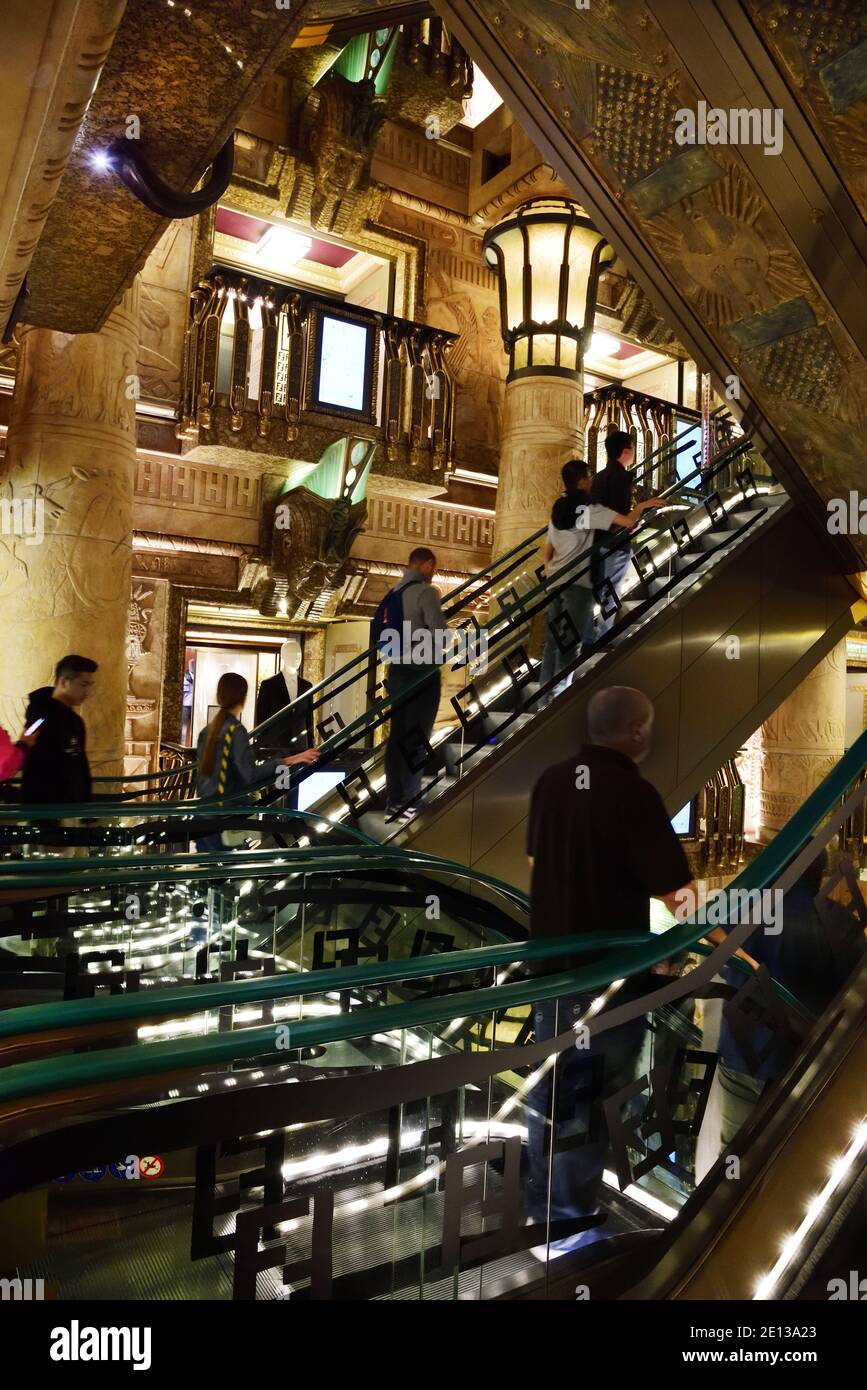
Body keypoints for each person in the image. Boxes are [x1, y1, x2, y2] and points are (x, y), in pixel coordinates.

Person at [524, 686, 696, 1232]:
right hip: (608, 981)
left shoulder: (552, 781)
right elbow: (678, 891)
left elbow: (535, 858)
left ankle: (540, 1200)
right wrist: (700, 930)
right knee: (595, 1094)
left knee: (551, 1087)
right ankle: (573, 1216)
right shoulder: (632, 792)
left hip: (547, 970)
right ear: (637, 731)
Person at [715, 848, 867, 1150]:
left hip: (740, 1058)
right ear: (819, 874)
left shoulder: (745, 909)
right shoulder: (838, 920)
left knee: (732, 1158)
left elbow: (707, 939)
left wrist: (748, 961)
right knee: (783, 1155)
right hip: (800, 1067)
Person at [538, 460, 661, 699]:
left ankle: (543, 695)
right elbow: (629, 522)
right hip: (578, 583)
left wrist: (551, 574)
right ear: (583, 480)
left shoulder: (559, 507)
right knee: (570, 640)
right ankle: (560, 696)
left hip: (555, 582)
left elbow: (548, 550)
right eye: (589, 475)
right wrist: (645, 504)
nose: (592, 480)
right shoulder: (586, 509)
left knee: (553, 640)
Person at [195, 672, 319, 851]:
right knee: (234, 874)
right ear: (243, 698)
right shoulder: (236, 731)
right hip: (228, 819)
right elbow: (250, 775)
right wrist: (290, 760)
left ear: (219, 696)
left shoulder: (206, 732)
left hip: (205, 817)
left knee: (207, 874)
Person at [381, 547, 451, 822]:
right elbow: (442, 636)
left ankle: (393, 800)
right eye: (433, 568)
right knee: (418, 738)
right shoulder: (426, 592)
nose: (433, 574)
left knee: (397, 736)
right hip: (422, 673)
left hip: (397, 672)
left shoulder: (394, 592)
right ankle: (411, 801)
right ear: (428, 565)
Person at [21, 655, 97, 805]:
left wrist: (87, 812)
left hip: (70, 808)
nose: (88, 692)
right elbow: (26, 742)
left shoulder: (75, 721)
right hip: (43, 809)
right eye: (83, 684)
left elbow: (81, 765)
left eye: (90, 685)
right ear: (63, 682)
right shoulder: (41, 713)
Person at [588, 430, 638, 638]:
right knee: (611, 591)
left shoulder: (598, 477)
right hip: (615, 543)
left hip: (597, 542)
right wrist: (630, 522)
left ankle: (590, 635)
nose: (634, 453)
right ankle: (603, 635)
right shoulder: (620, 477)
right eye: (633, 448)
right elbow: (618, 513)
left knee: (600, 589)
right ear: (626, 451)